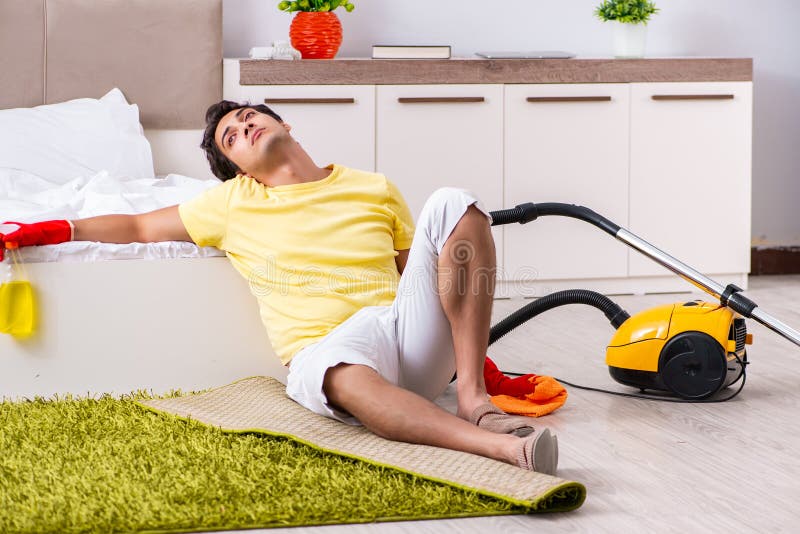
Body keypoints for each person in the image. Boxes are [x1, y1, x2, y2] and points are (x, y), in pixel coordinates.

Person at [0, 101, 558, 474]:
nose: (244, 129)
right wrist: (52, 228)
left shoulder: (373, 188)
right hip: (331, 347)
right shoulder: (233, 202)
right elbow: (140, 225)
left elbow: (430, 272)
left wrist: (476, 360)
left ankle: (473, 403)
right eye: (232, 136)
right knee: (342, 375)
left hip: (398, 330)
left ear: (286, 125)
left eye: (248, 118)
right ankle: (502, 448)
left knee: (455, 203)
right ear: (237, 167)